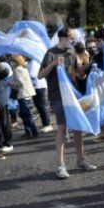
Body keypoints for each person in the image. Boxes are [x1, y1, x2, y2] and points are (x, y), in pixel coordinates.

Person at [40, 28, 95, 179]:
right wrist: (53, 64)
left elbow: (77, 73)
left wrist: (89, 66)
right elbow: (40, 75)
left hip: (73, 94)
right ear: (62, 38)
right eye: (71, 38)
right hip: (58, 96)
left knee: (78, 127)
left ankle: (81, 160)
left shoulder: (71, 52)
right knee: (62, 129)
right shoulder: (50, 53)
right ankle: (60, 166)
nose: (73, 41)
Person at [10, 55, 39, 138]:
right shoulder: (23, 68)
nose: (11, 63)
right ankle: (28, 131)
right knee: (24, 114)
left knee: (26, 114)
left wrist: (11, 83)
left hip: (23, 94)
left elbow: (20, 82)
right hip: (26, 94)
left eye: (13, 61)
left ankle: (33, 131)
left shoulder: (18, 69)